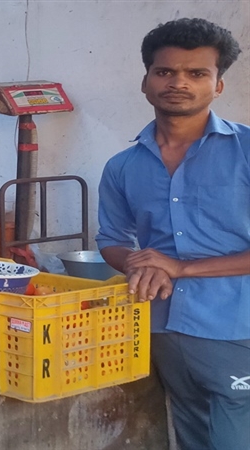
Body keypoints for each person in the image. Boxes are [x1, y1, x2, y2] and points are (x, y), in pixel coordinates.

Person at [95, 18, 249, 450]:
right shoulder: (123, 166)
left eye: (197, 73)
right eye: (165, 72)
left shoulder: (247, 151)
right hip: (160, 325)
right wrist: (140, 264)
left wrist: (180, 267)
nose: (179, 82)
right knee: (190, 432)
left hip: (237, 325)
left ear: (218, 85)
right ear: (146, 82)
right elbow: (111, 239)